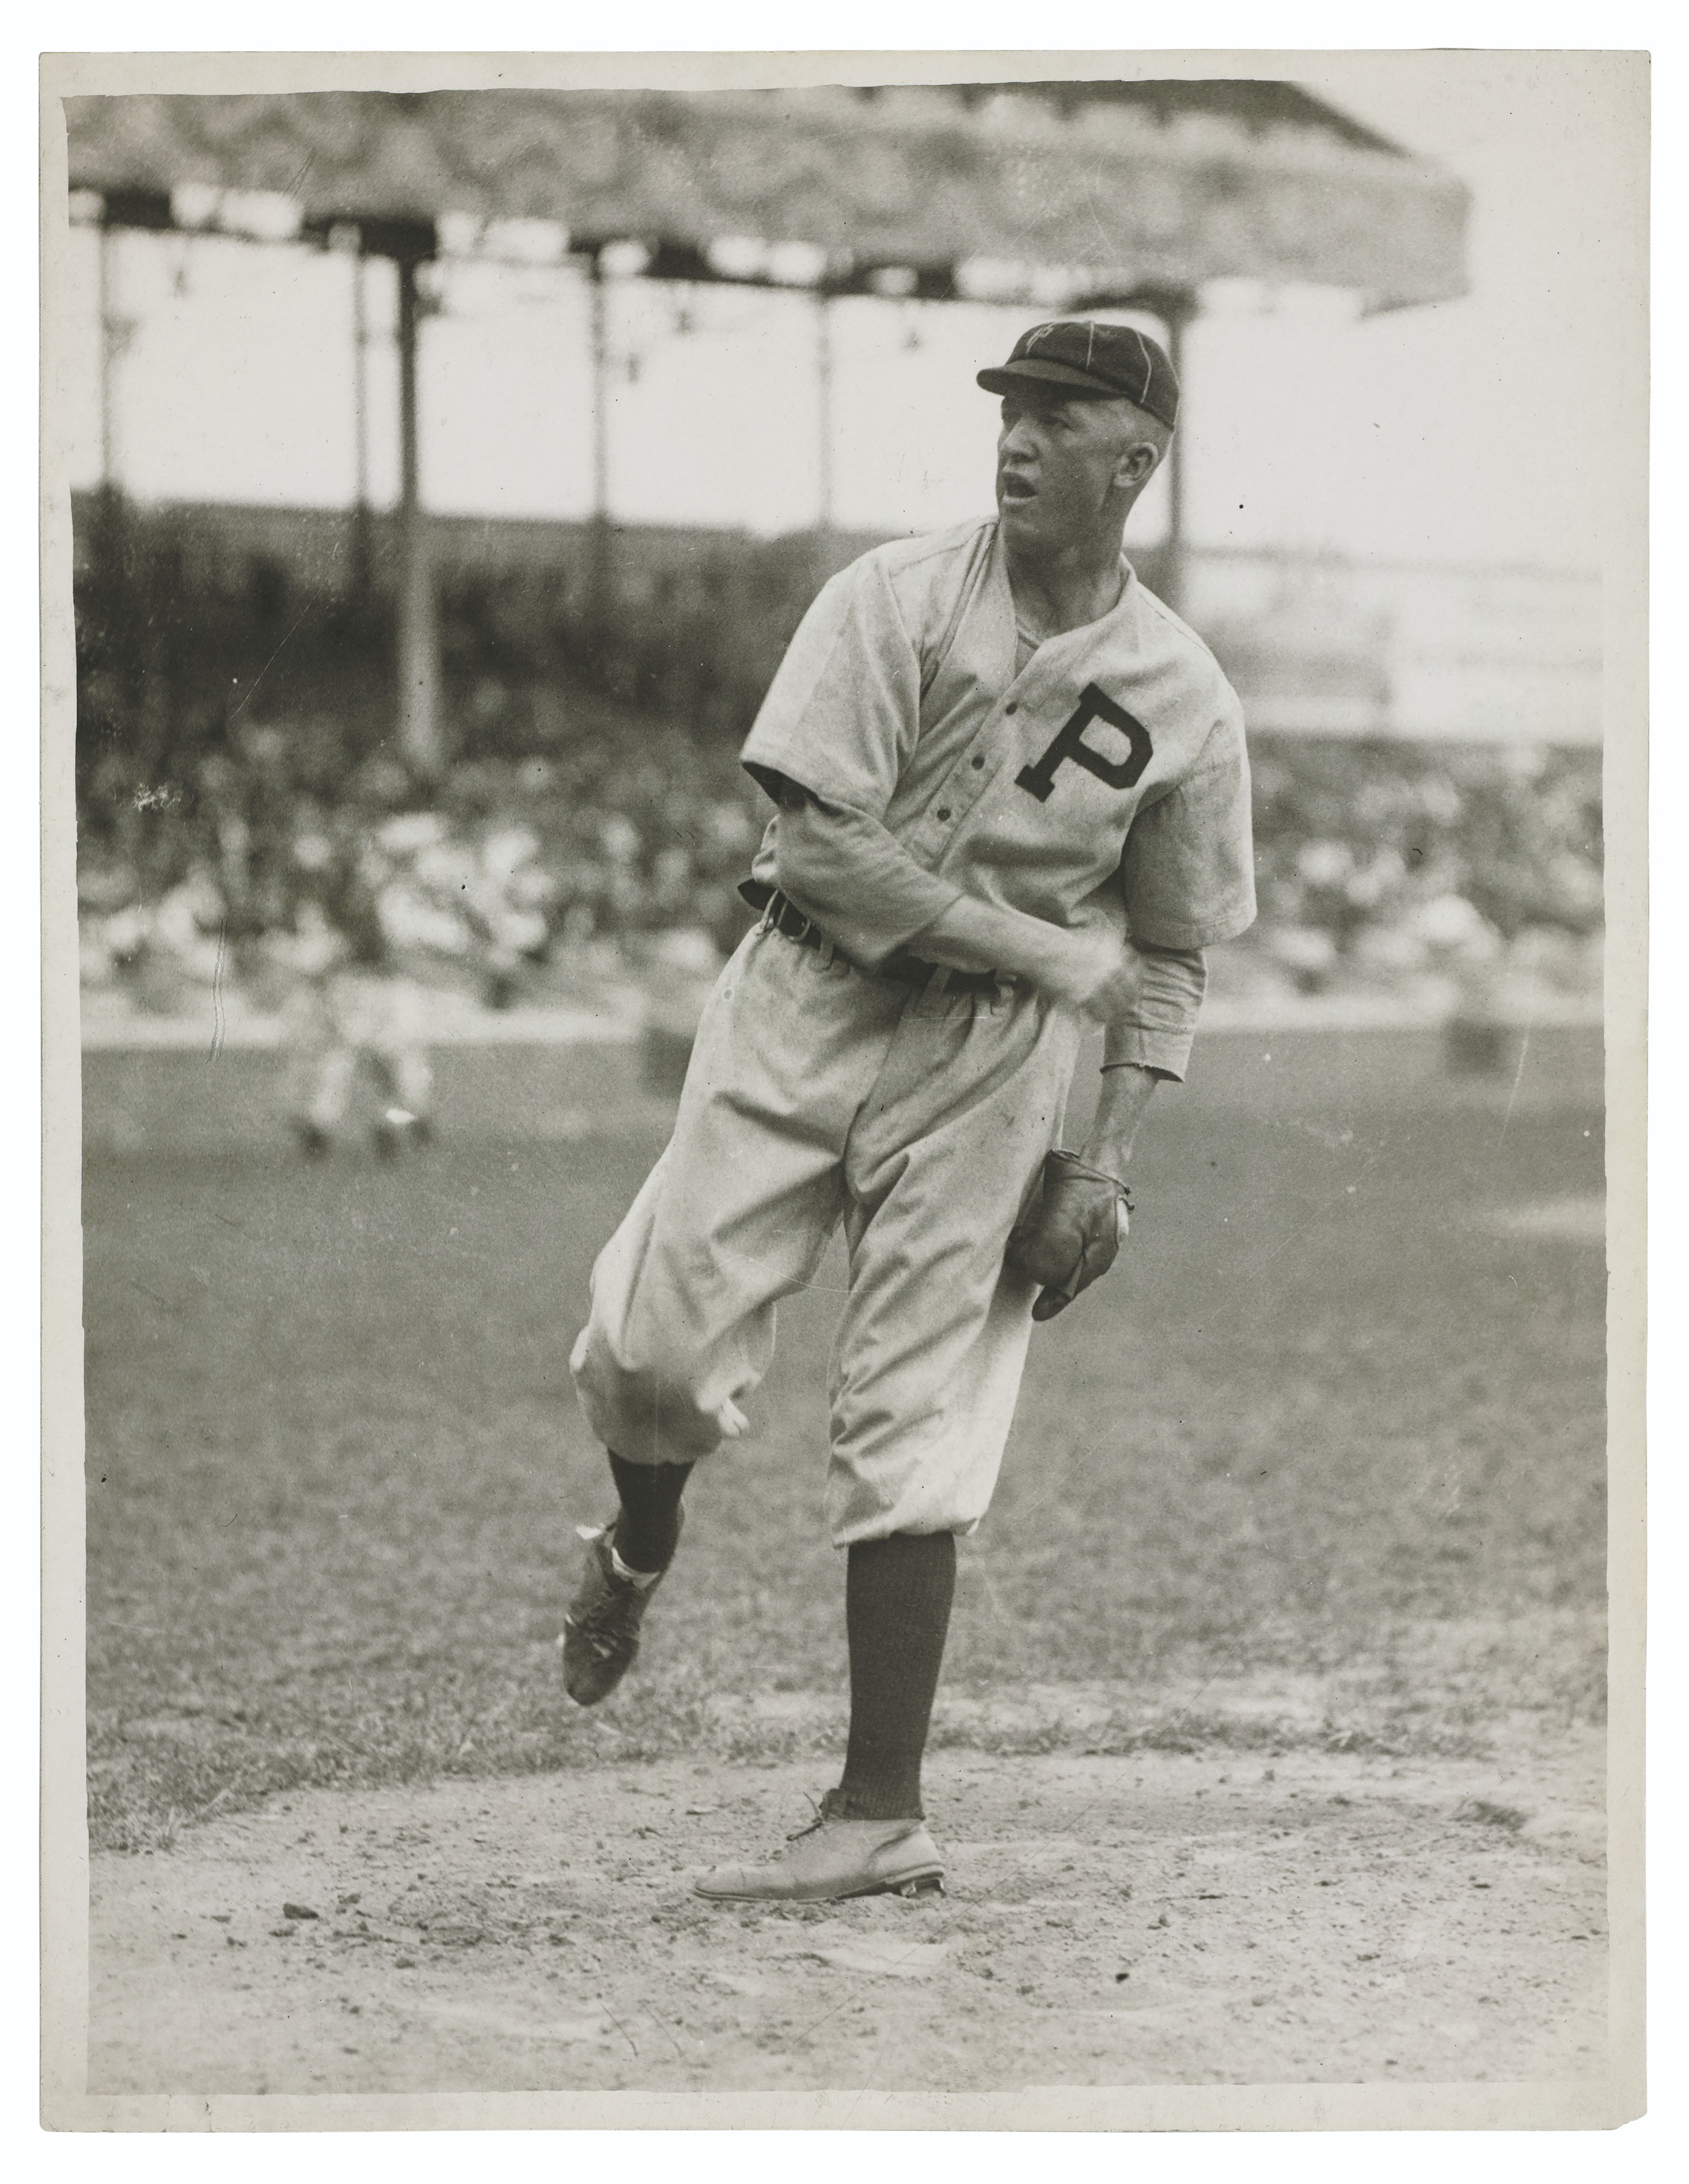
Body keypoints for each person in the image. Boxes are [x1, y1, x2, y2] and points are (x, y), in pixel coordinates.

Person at [565, 319, 1256, 1903]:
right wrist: (1036, 946)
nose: (1016, 437)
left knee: (918, 1413)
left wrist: (1103, 1161)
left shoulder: (1182, 693)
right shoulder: (887, 596)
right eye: (1009, 410)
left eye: (1057, 417)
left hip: (989, 1061)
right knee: (649, 1350)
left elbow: (1167, 956)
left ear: (1133, 461)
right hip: (804, 990)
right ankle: (638, 1542)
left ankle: (878, 1809)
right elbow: (818, 853)